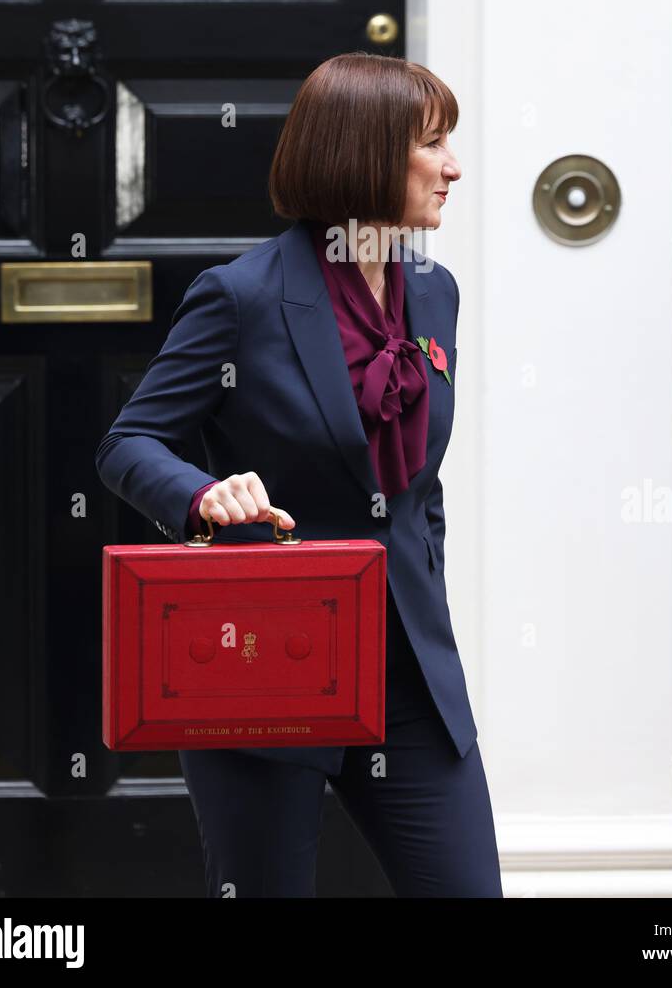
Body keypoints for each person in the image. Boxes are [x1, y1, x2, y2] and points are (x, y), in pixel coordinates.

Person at [95, 50, 502, 897]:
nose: (454, 167)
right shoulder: (240, 297)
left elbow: (416, 494)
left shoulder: (435, 293)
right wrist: (202, 496)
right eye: (433, 144)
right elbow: (129, 445)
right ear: (366, 154)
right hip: (267, 664)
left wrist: (424, 587)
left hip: (410, 675)